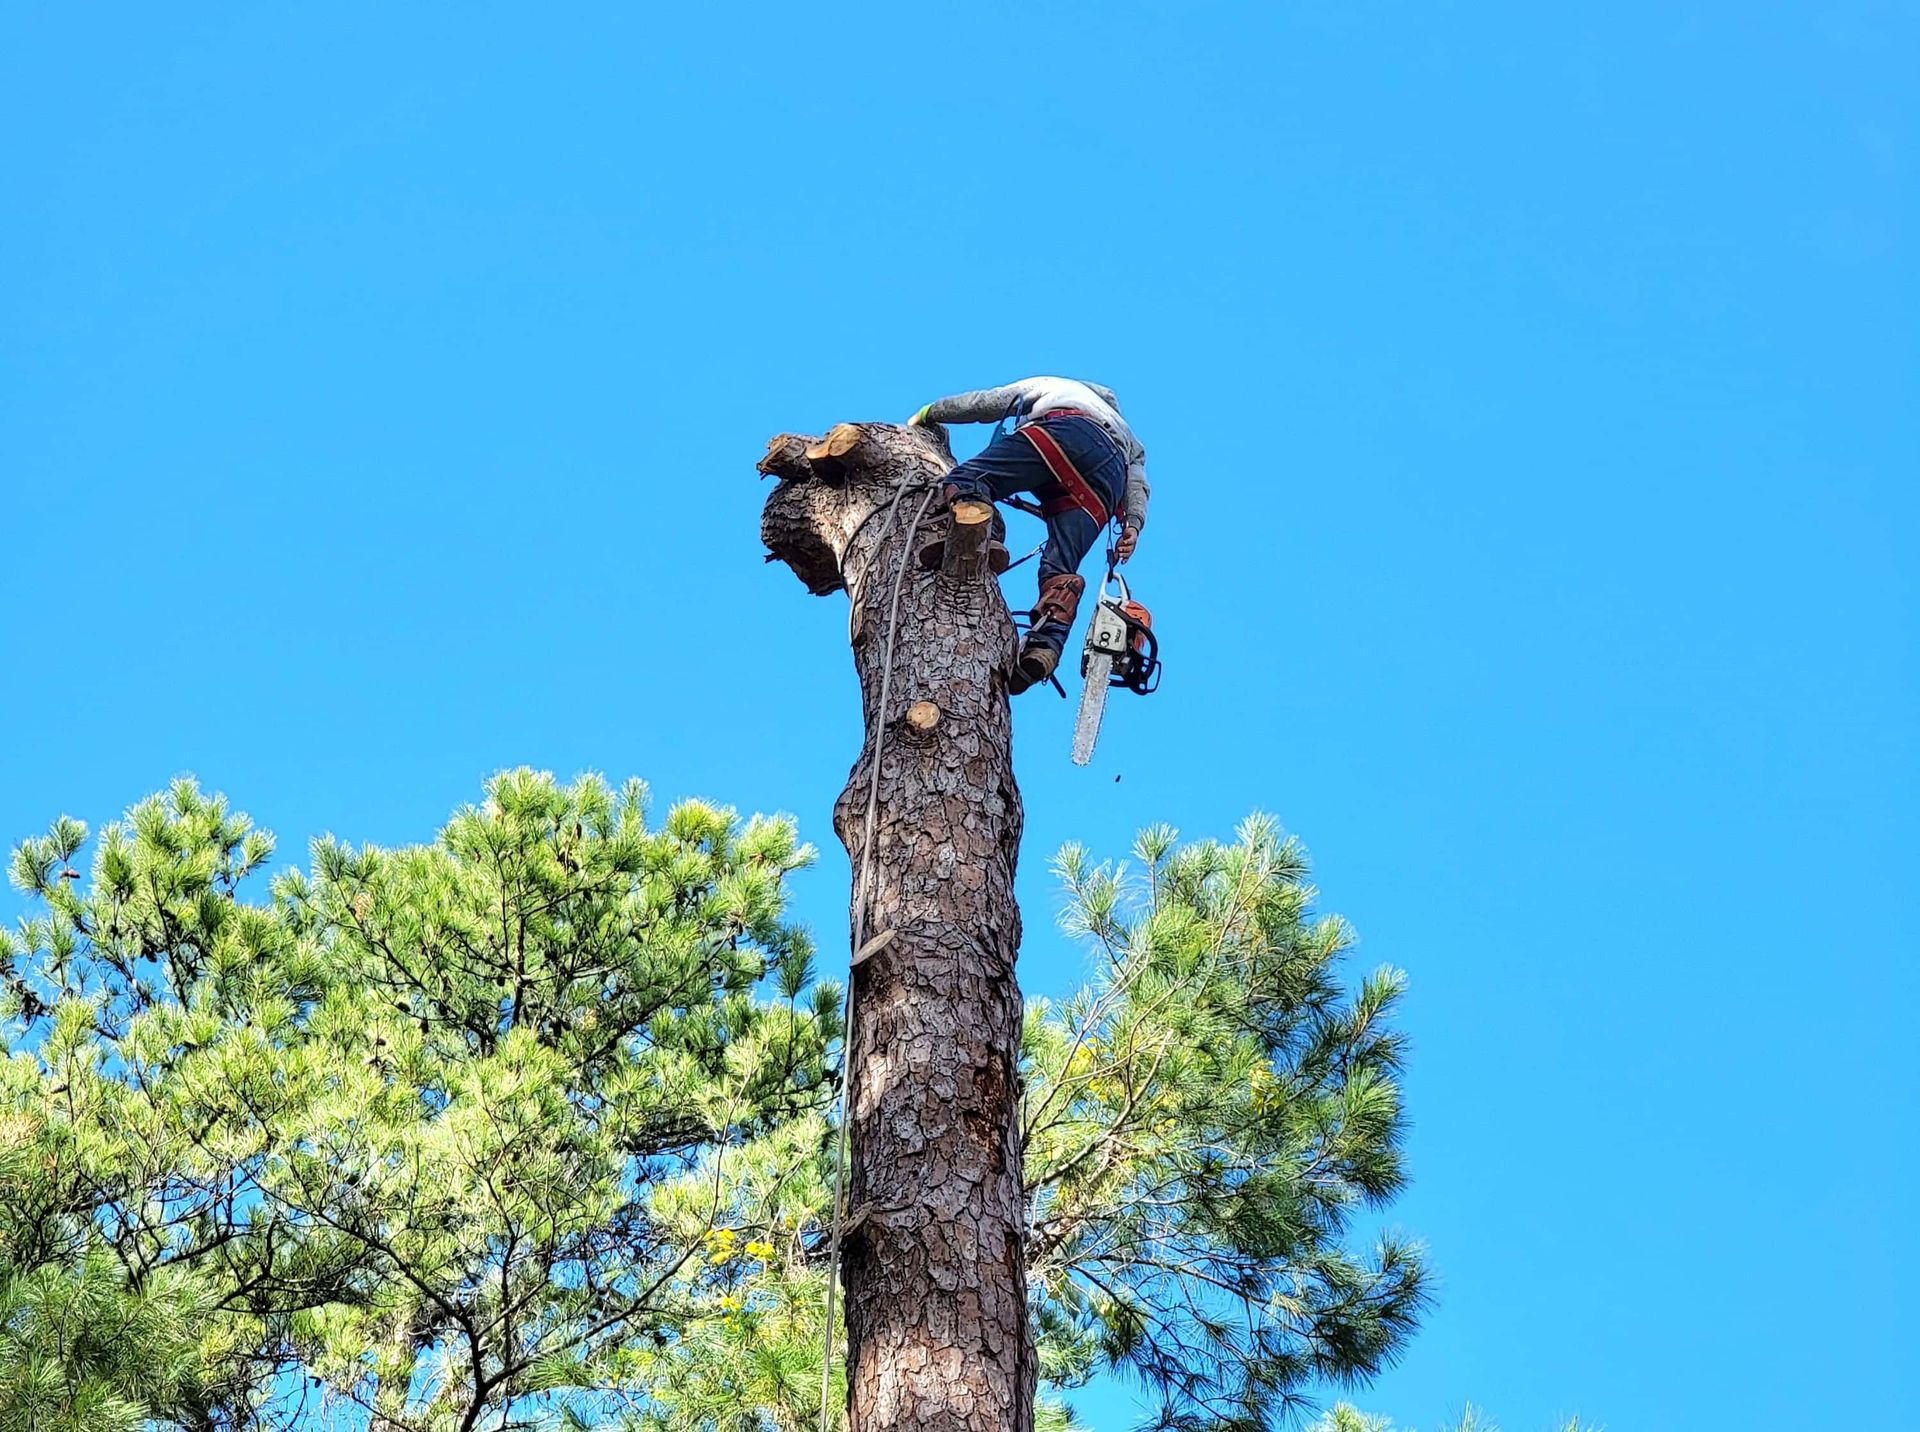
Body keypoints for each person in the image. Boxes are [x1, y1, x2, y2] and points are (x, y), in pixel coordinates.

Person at [908, 376, 1150, 694]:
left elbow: (985, 403)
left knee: (968, 479)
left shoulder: (1056, 386)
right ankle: (1044, 645)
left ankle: (971, 542)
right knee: (1059, 569)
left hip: (1066, 433)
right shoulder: (1127, 436)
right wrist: (1132, 525)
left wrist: (929, 413)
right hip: (1106, 484)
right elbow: (1137, 482)